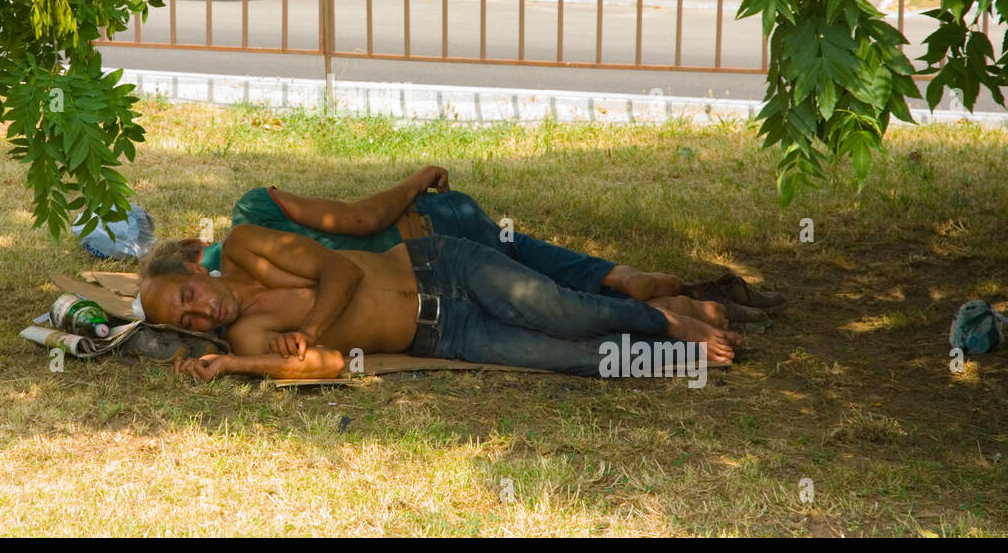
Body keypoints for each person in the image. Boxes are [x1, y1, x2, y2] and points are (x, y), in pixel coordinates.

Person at [137, 224, 744, 382]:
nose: (200, 315)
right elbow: (328, 366)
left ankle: (668, 320)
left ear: (195, 264)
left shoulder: (245, 247)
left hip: (441, 266)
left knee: (568, 312)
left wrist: (312, 328)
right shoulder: (245, 342)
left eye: (189, 295)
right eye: (185, 321)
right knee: (568, 358)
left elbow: (339, 271)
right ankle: (673, 359)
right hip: (440, 335)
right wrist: (236, 365)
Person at [193, 167, 781, 317]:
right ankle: (707, 292)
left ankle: (687, 310)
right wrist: (418, 178)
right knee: (569, 267)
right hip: (440, 227)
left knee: (553, 298)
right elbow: (357, 217)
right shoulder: (253, 210)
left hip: (427, 271)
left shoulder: (248, 290)